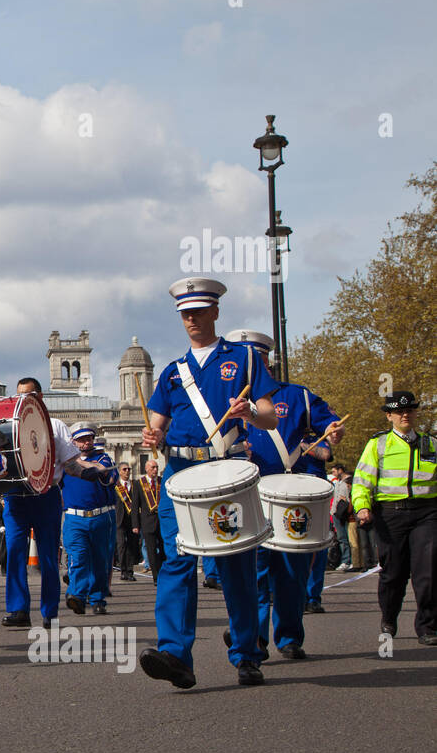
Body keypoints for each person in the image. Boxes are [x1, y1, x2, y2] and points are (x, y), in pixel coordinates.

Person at [138, 279, 280, 688]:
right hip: (180, 474)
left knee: (236, 562)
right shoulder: (171, 372)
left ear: (215, 312)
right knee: (178, 562)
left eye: (199, 311)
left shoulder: (246, 358)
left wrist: (249, 411)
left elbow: (270, 415)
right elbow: (158, 426)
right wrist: (153, 437)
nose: (192, 319)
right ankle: (175, 655)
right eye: (185, 313)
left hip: (226, 471)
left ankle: (247, 653)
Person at [226, 328, 342, 660]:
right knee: (256, 569)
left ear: (266, 362)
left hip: (294, 493)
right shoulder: (228, 403)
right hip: (253, 493)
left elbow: (329, 424)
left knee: (292, 568)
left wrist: (335, 431)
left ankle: (289, 635)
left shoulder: (297, 396)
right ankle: (255, 637)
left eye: (254, 359)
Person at [0, 379, 99, 628]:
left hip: (46, 495)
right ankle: (18, 610)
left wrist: (88, 472)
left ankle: (50, 612)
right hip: (15, 496)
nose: (24, 399)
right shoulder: (7, 426)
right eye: (20, 394)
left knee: (47, 557)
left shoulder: (55, 426)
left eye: (30, 394)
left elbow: (70, 463)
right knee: (14, 553)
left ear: (41, 396)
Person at [351, 391, 437, 645]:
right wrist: (362, 507)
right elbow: (362, 481)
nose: (405, 414)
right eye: (399, 411)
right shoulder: (377, 445)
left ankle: (428, 626)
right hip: (391, 514)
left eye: (410, 410)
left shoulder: (431, 443)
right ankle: (389, 616)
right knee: (394, 573)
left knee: (429, 570)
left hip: (427, 513)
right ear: (389, 416)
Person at [61, 424, 118, 616]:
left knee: (100, 560)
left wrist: (78, 461)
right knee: (78, 557)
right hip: (74, 517)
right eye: (81, 439)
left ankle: (97, 598)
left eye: (89, 439)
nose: (86, 443)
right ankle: (77, 595)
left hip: (100, 515)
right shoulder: (64, 464)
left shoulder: (102, 457)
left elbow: (104, 471)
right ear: (73, 442)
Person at [132, 459, 164, 582]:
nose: (155, 470)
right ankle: (156, 577)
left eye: (156, 467)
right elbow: (135, 506)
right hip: (147, 522)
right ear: (146, 469)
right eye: (152, 467)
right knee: (150, 550)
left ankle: (163, 572)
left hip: (161, 521)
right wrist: (135, 524)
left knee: (163, 549)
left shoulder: (161, 482)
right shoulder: (139, 483)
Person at [112, 462, 138, 581]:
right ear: (119, 471)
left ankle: (130, 570)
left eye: (129, 469)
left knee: (132, 545)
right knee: (121, 545)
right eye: (124, 469)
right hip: (119, 519)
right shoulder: (114, 486)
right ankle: (123, 570)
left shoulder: (135, 485)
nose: (127, 471)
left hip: (132, 520)